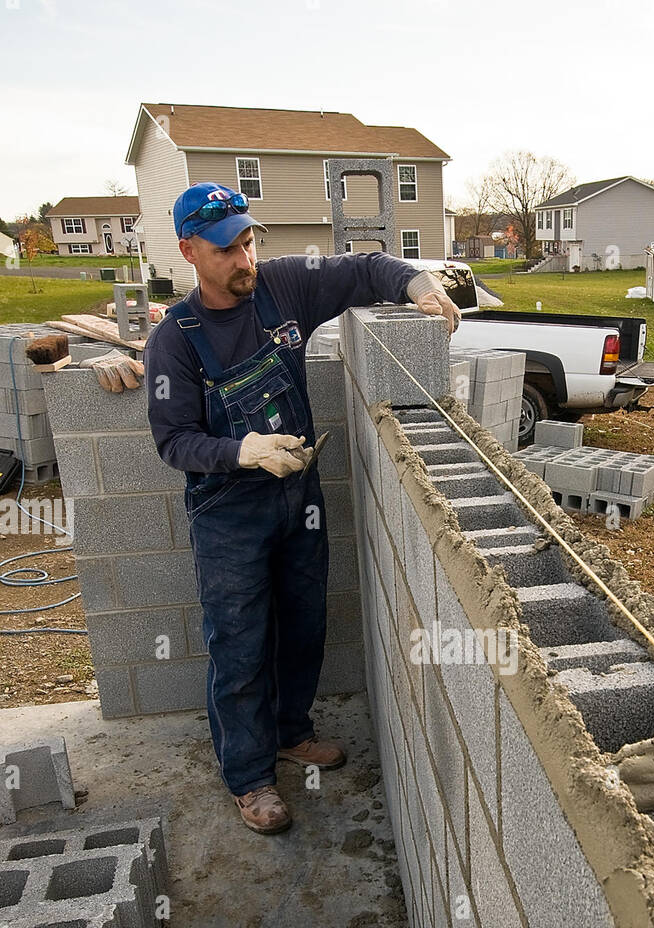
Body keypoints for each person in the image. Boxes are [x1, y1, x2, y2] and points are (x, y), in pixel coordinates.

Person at [96, 181, 460, 834]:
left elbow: (364, 268)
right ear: (188, 251)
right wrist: (245, 451)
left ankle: (292, 731)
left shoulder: (283, 288)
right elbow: (173, 441)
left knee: (303, 624)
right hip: (229, 516)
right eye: (225, 249)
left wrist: (416, 284)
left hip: (300, 501)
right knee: (238, 648)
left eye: (247, 240)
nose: (244, 259)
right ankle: (250, 776)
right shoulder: (176, 340)